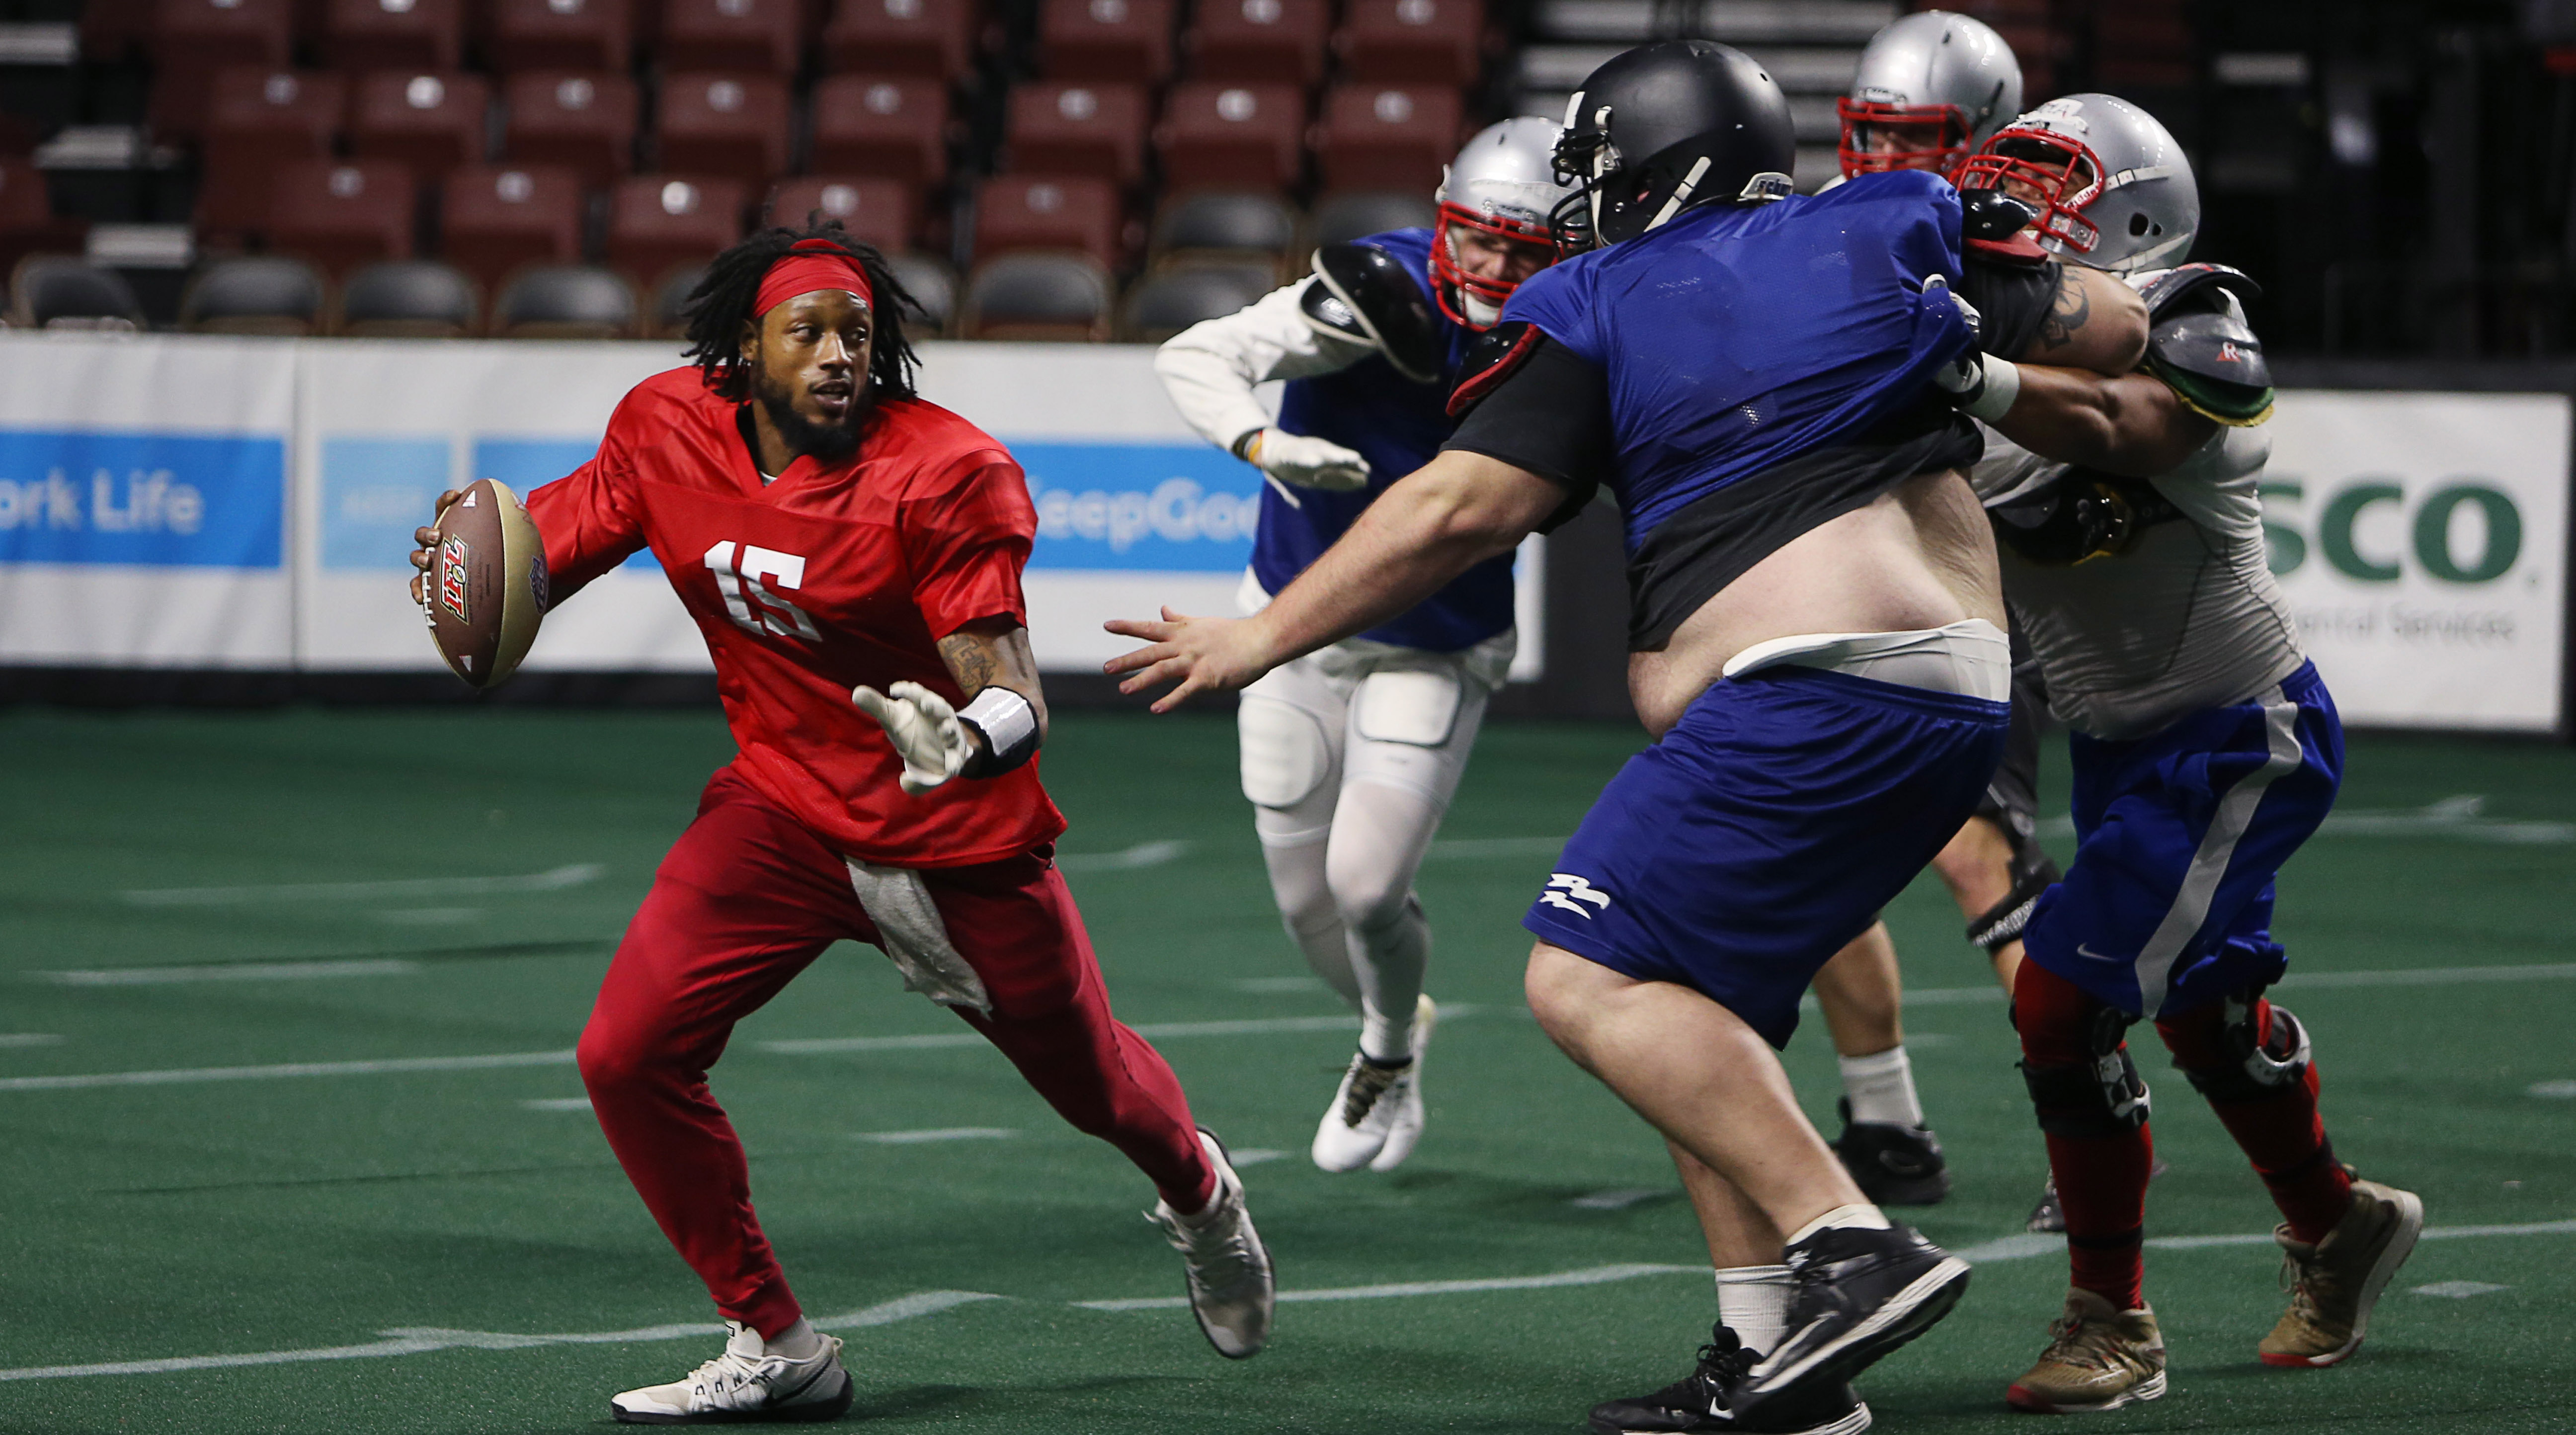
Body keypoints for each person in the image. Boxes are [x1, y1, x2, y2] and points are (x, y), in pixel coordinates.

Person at [1106, 42, 2146, 1435]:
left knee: (1584, 977)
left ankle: (1851, 1242)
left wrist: (1257, 634)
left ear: (1656, 169)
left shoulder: (1597, 292)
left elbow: (1455, 510)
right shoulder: (1880, 217)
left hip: (1815, 687)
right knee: (1691, 1017)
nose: (1572, 204)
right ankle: (1768, 1359)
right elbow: (2112, 329)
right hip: (1952, 695)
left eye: (1594, 172)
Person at [408, 223, 1274, 1425]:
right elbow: (541, 550)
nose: (836, 359)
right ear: (743, 349)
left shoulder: (945, 471)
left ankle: (1201, 1192)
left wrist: (962, 740)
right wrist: (467, 573)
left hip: (955, 837)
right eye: (806, 333)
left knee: (1099, 1089)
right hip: (781, 810)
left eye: (857, 336)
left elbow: (1016, 692)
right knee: (627, 1054)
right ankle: (775, 1340)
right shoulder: (666, 424)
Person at [1943, 95, 2425, 1413]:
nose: (2013, 214)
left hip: (2239, 732)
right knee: (2208, 1015)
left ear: (2135, 217)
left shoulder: (2192, 317)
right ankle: (2338, 1224)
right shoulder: (1981, 330)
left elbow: (2125, 429)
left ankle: (2113, 1320)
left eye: (2050, 189)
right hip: (2116, 745)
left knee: (2062, 1000)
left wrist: (1962, 372)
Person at [1151, 117, 1578, 1174]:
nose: (1493, 268)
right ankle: (1403, 1021)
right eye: (1478, 239)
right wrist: (1264, 441)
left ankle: (1386, 1049)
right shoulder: (1381, 294)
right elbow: (1200, 351)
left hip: (1435, 635)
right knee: (1306, 900)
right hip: (1291, 617)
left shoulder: (1577, 326)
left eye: (1524, 250)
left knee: (1367, 884)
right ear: (1445, 217)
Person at [1807, 4, 2047, 1211]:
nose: (1890, 162)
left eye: (1922, 139)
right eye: (1875, 135)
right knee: (1806, 849)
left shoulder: (2028, 250)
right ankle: (1887, 1121)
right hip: (1844, 570)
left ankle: (2086, 1120)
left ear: (1987, 139)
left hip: (1979, 581)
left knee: (1975, 853)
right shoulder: (1812, 232)